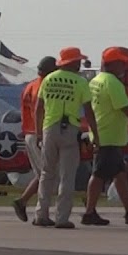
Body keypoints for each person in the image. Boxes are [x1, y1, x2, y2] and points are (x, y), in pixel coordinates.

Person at [82, 48, 128, 225]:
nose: (123, 65)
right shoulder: (112, 82)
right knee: (98, 175)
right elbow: (126, 108)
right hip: (108, 137)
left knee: (119, 174)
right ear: (110, 64)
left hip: (105, 134)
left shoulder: (95, 81)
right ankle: (89, 212)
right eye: (120, 62)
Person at [33, 47, 97, 229]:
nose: (80, 64)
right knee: (67, 176)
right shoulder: (80, 82)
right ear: (73, 62)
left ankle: (41, 214)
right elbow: (89, 112)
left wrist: (39, 133)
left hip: (49, 129)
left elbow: (38, 108)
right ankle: (61, 217)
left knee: (46, 173)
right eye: (79, 61)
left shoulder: (48, 79)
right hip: (70, 130)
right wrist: (95, 136)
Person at [12, 56, 57, 222]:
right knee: (48, 175)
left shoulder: (30, 86)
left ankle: (22, 201)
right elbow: (41, 111)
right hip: (39, 133)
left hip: (29, 133)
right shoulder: (44, 86)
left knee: (41, 174)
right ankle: (41, 213)